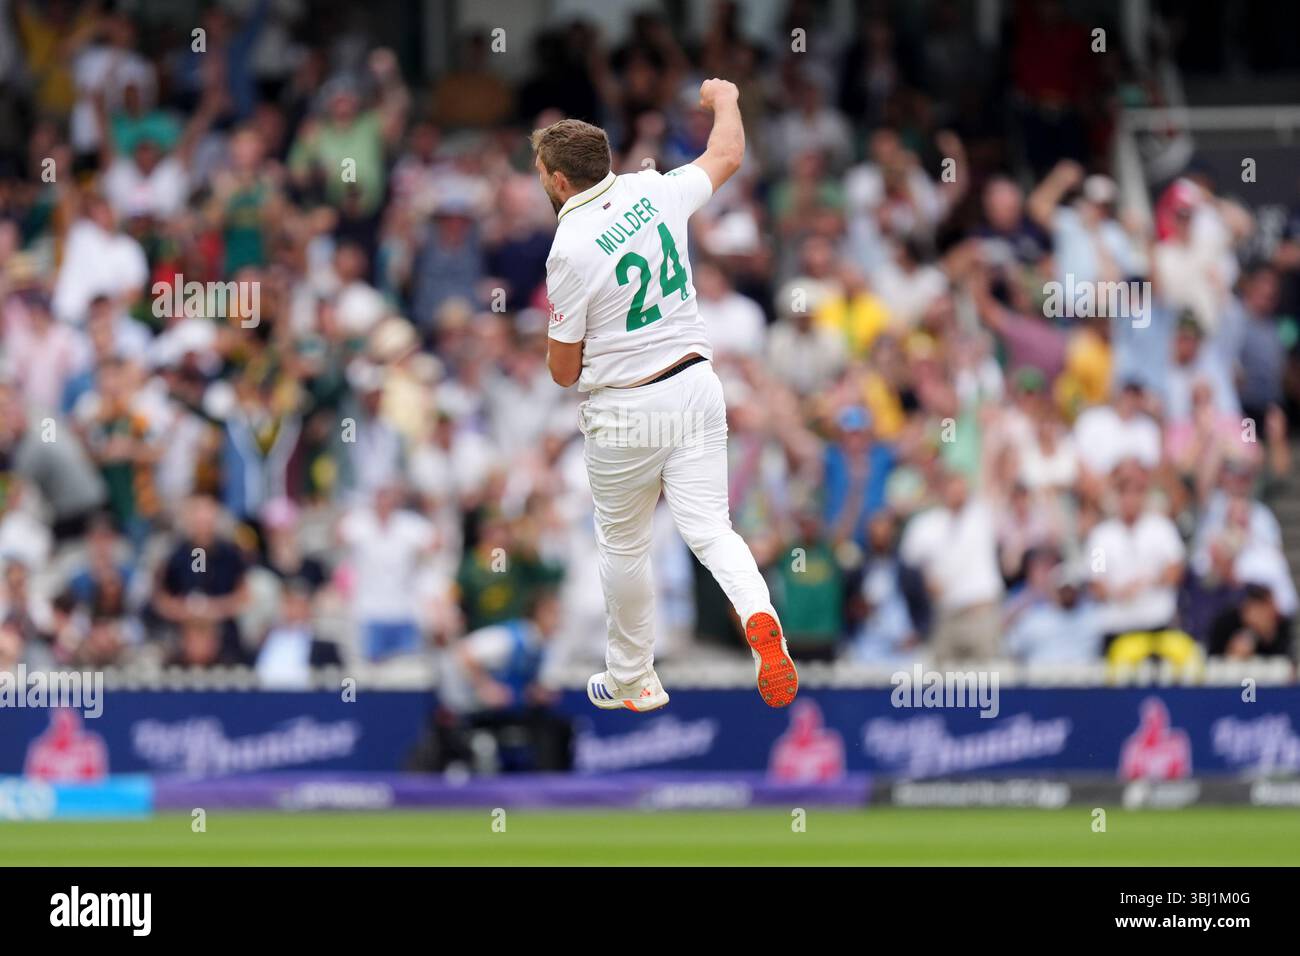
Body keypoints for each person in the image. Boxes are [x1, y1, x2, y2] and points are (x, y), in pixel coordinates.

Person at [534, 78, 796, 711]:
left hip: (626, 406)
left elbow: (563, 372)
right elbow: (728, 156)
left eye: (542, 172)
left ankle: (633, 678)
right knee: (711, 529)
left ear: (562, 181)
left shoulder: (567, 247)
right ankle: (759, 615)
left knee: (624, 545)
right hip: (698, 386)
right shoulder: (651, 189)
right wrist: (729, 98)